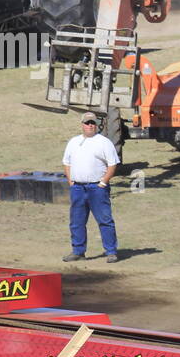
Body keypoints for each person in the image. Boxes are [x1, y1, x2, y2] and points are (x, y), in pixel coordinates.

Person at [62, 112, 120, 263]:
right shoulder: (73, 142)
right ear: (82, 124)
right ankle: (78, 252)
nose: (90, 125)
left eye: (92, 123)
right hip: (78, 188)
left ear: (96, 125)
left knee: (105, 220)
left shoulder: (104, 142)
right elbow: (67, 163)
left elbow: (112, 164)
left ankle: (111, 252)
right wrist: (71, 181)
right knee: (77, 221)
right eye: (87, 123)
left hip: (97, 188)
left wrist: (103, 183)